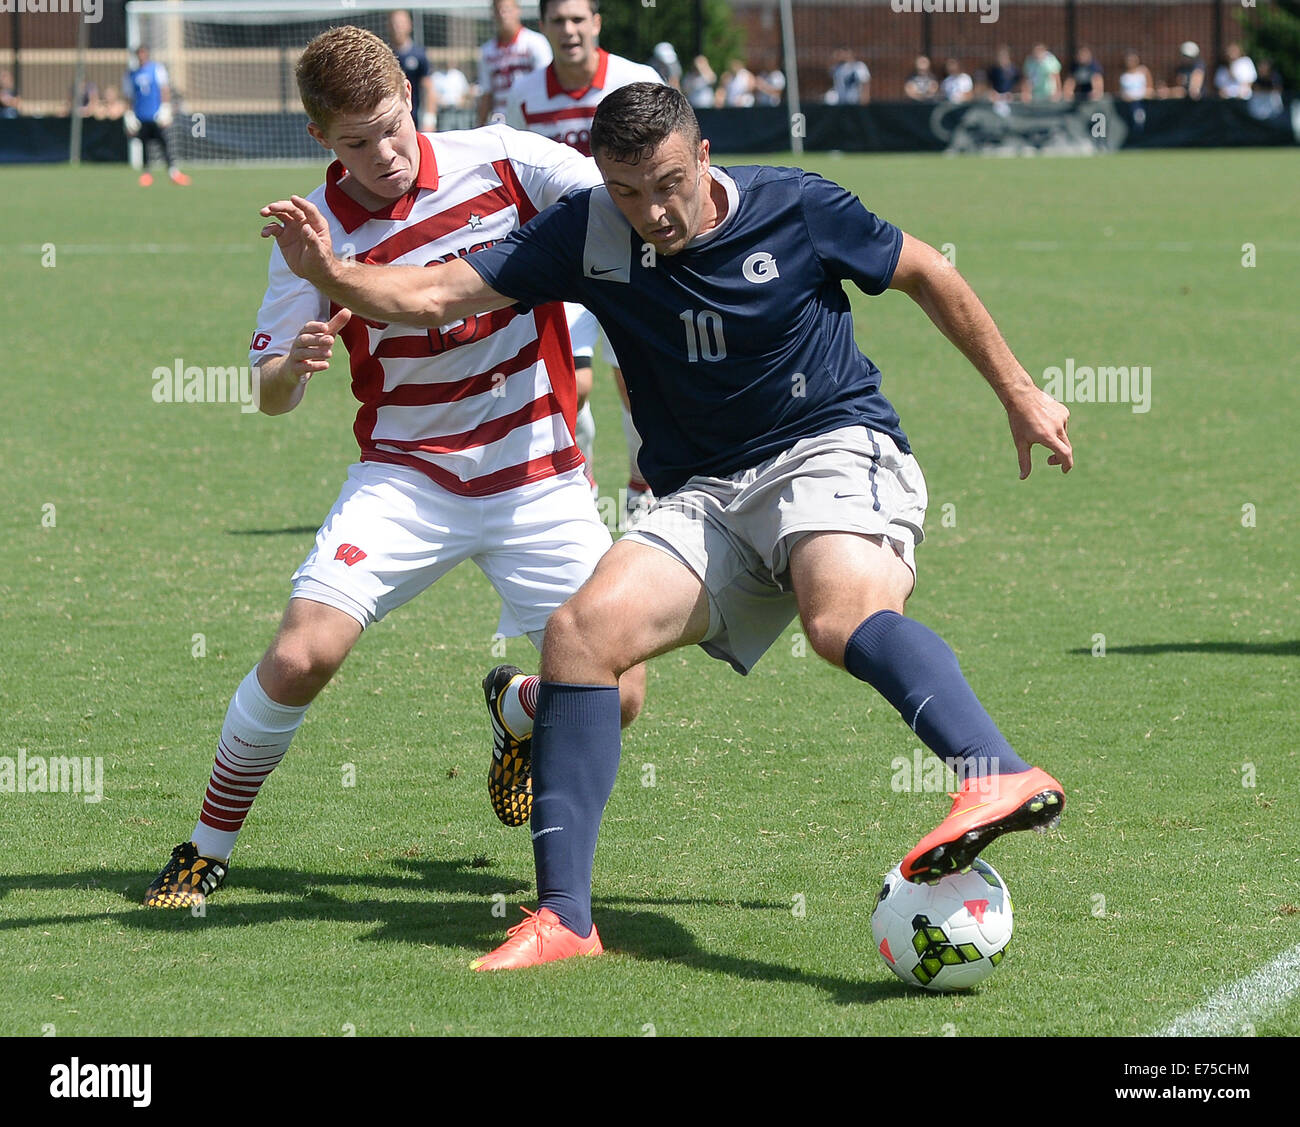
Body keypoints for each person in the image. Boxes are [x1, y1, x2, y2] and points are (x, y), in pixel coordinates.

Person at [262, 82, 1072, 970]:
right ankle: (566, 920)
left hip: (829, 447)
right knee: (578, 637)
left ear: (704, 154)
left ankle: (992, 768)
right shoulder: (584, 232)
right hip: (703, 495)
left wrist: (1020, 392)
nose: (652, 211)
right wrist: (329, 275)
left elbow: (926, 270)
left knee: (836, 619)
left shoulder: (796, 205)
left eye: (669, 183)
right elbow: (434, 296)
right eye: (628, 191)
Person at [141, 26, 646, 909]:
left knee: (621, 694)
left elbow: (622, 197)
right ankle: (206, 846)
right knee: (302, 654)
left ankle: (521, 708)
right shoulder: (313, 230)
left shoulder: (502, 159)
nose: (382, 154)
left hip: (540, 474)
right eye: (354, 141)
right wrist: (289, 368)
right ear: (319, 140)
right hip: (407, 477)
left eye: (390, 126)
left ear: (412, 101)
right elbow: (267, 395)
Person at [505, 0, 662, 521]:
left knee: (635, 383)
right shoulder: (525, 95)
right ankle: (582, 489)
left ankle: (643, 489)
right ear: (544, 27)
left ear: (596, 22)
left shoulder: (635, 79)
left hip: (636, 254)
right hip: (565, 259)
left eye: (578, 19)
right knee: (572, 385)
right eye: (557, 21)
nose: (569, 30)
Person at [476, 0, 551, 126]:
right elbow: (486, 94)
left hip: (530, 117)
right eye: (498, 10)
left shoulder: (536, 43)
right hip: (499, 122)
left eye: (507, 10)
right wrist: (479, 126)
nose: (502, 15)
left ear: (518, 10)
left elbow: (546, 83)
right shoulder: (486, 51)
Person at [123, 46, 189, 187]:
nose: (141, 56)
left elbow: (164, 89)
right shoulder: (131, 74)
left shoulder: (156, 69)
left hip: (156, 115)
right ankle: (146, 175)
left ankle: (173, 173)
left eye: (143, 53)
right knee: (144, 146)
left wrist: (165, 109)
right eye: (139, 54)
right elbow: (128, 97)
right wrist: (129, 116)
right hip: (141, 116)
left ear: (147, 54)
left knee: (164, 144)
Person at [388, 9, 435, 132]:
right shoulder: (385, 55)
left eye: (400, 23)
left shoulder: (419, 54)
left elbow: (428, 88)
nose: (397, 27)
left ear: (409, 25)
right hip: (389, 120)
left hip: (414, 118)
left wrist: (429, 119)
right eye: (394, 24)